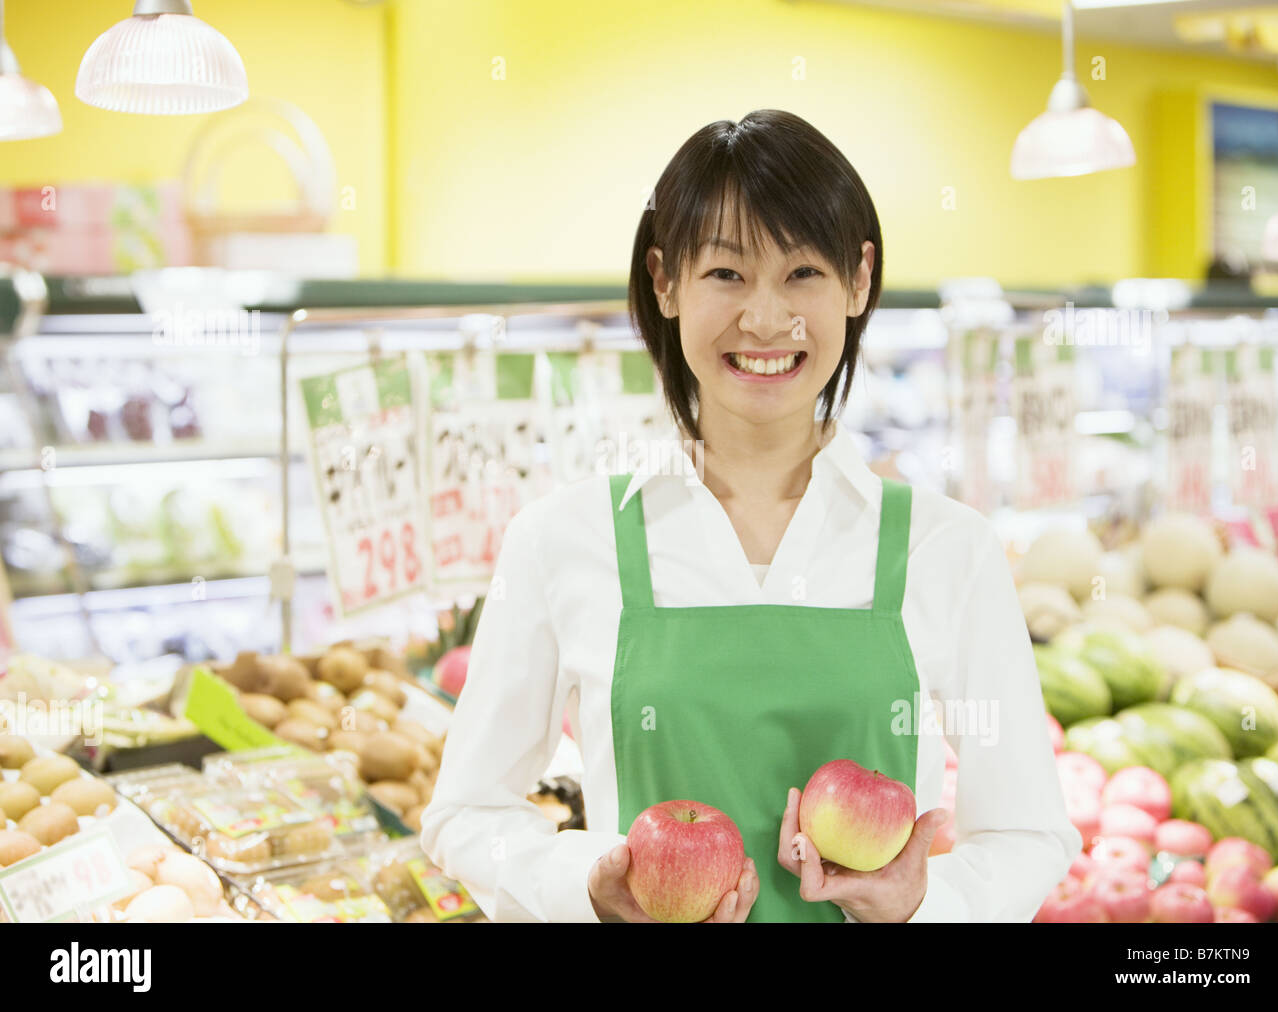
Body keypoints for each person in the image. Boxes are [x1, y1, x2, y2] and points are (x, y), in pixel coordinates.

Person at [422, 109, 1080, 922]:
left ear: (860, 278)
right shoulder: (564, 540)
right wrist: (588, 889)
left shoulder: (951, 549)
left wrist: (922, 904)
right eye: (726, 275)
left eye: (803, 272)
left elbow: (1028, 833)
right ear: (665, 281)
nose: (767, 320)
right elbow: (466, 815)